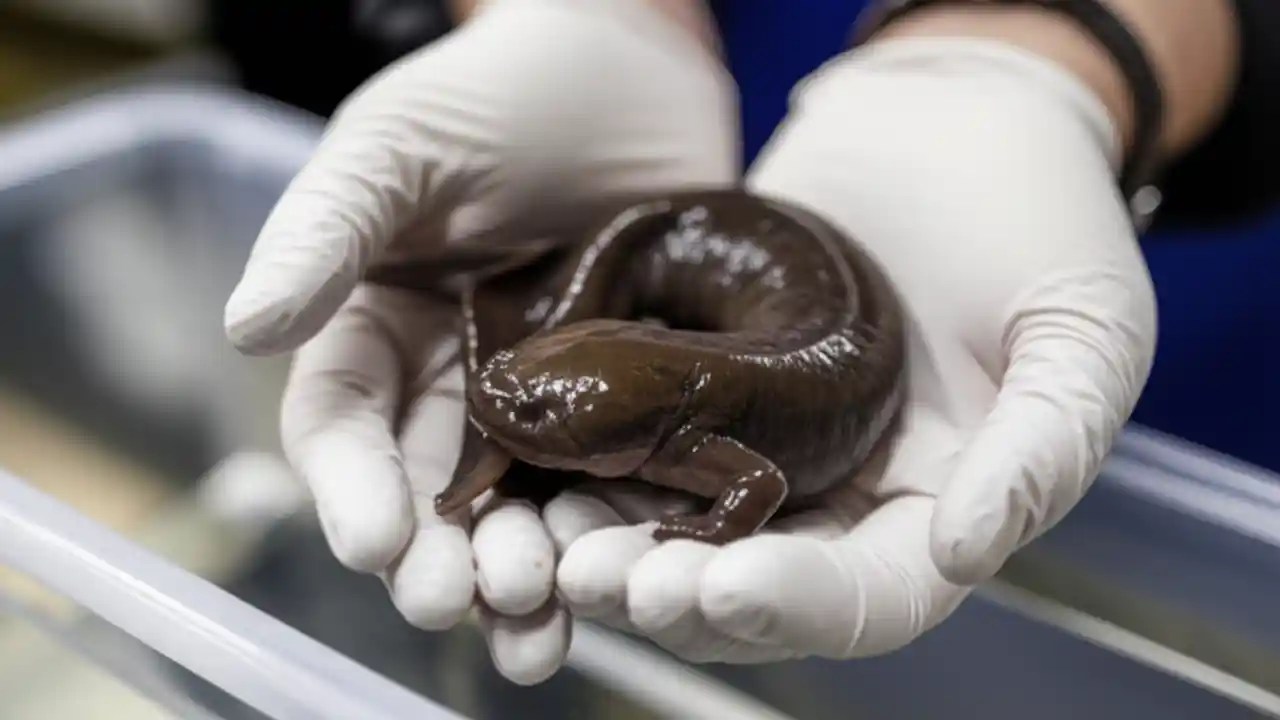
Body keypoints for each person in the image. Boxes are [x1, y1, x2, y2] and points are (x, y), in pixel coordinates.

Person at [221, 0, 1277, 685]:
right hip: (713, 234)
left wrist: (1047, 59)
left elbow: (756, 485)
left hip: (1178, 399)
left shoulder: (698, 435)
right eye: (521, 400)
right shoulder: (653, 387)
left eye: (532, 406)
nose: (504, 405)